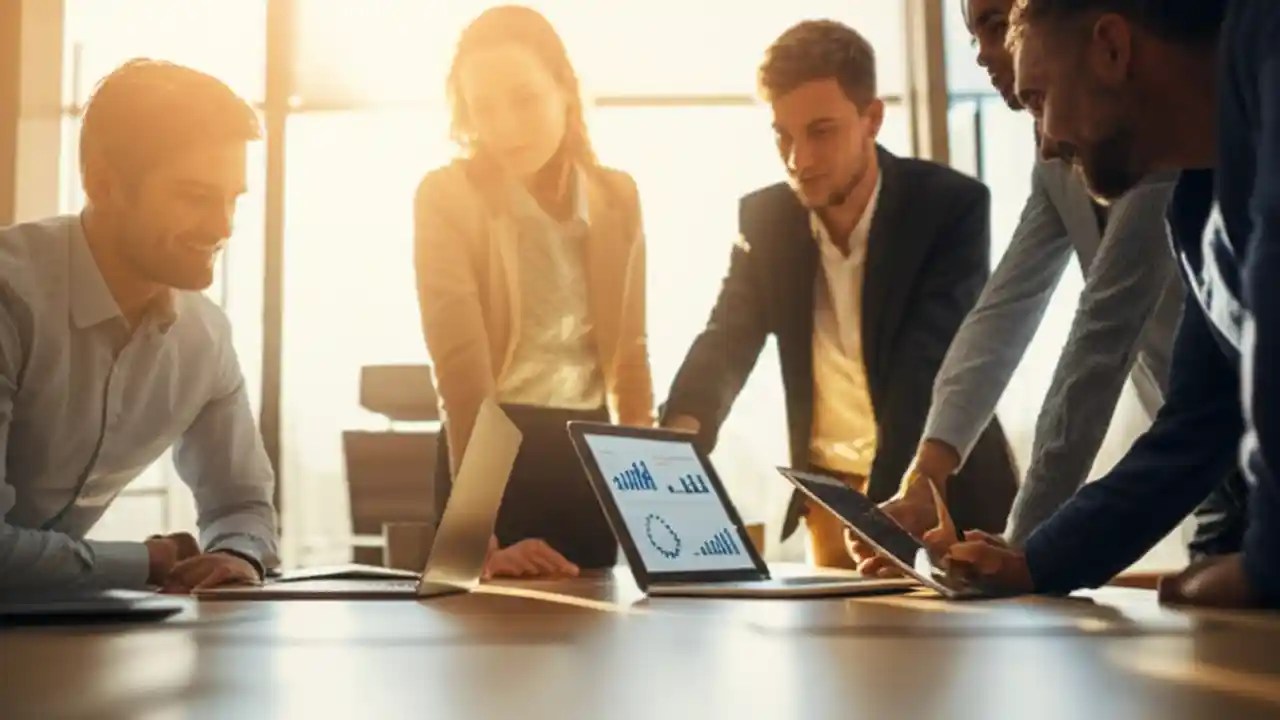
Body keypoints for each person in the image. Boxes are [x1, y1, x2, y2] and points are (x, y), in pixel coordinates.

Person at [926, 0, 1280, 609]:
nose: (1044, 146)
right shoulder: (1200, 202)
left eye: (1040, 101)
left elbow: (1100, 338)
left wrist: (1269, 562)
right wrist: (1036, 560)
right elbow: (1199, 419)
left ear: (1112, 48)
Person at [661, 19, 1018, 569]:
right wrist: (677, 441)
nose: (798, 159)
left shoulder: (948, 207)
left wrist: (885, 509)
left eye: (821, 132)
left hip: (939, 497)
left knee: (948, 653)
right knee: (837, 650)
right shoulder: (768, 218)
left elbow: (925, 363)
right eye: (783, 134)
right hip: (832, 496)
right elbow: (727, 339)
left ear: (872, 117)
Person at [852, 0, 1187, 574]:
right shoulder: (1054, 152)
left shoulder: (1151, 130)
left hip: (1228, 435)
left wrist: (1021, 547)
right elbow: (1002, 311)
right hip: (1200, 449)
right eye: (973, 31)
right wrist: (925, 474)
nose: (982, 50)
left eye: (995, 23)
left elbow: (1100, 336)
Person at [0, 59, 278, 594]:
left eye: (231, 199)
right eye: (195, 196)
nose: (222, 227)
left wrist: (233, 555)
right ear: (103, 183)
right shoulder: (11, 301)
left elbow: (242, 505)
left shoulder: (205, 337)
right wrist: (148, 561)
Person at [414, 5, 654, 579]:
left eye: (523, 99)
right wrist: (476, 538)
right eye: (484, 107)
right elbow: (462, 370)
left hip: (588, 457)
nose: (505, 126)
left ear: (565, 92)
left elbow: (630, 359)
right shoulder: (448, 196)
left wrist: (653, 515)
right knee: (490, 651)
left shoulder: (617, 197)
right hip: (490, 454)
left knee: (600, 646)